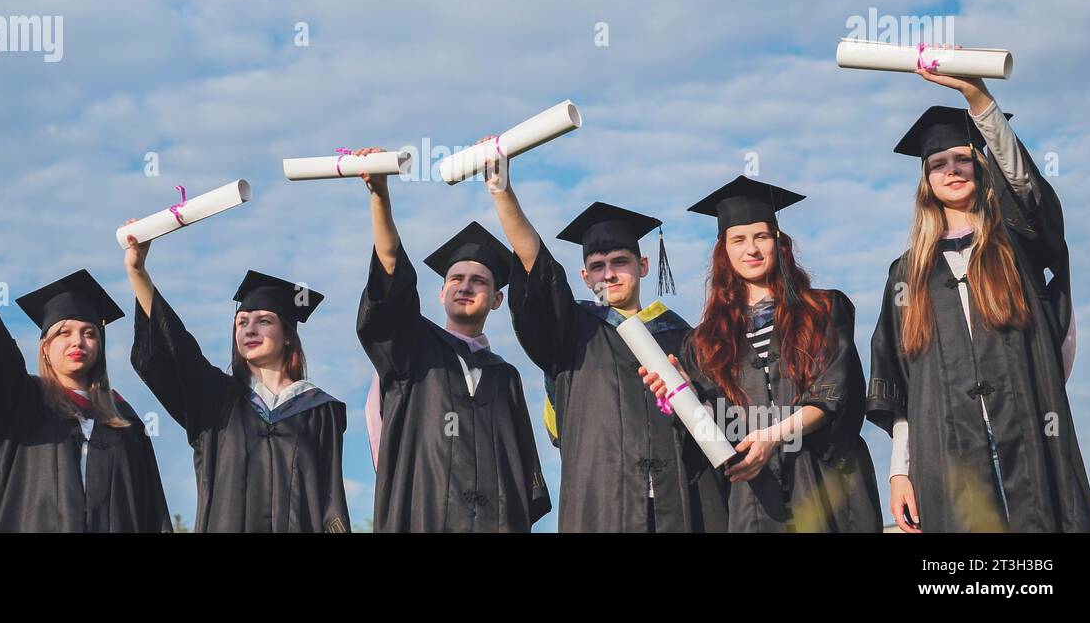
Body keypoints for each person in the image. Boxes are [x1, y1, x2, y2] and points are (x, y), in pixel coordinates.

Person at [866, 61, 1090, 532]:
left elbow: (1030, 194)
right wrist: (899, 472)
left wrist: (980, 101)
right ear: (925, 182)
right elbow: (899, 379)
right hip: (946, 451)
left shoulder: (1016, 244)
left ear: (982, 165)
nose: (951, 171)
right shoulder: (906, 275)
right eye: (937, 164)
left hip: (1030, 431)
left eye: (962, 159)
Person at [487, 151, 727, 532]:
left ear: (643, 265)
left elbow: (717, 426)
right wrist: (503, 192)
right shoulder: (572, 332)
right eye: (598, 267)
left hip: (679, 505)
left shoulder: (685, 339)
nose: (609, 275)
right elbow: (537, 265)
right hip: (600, 506)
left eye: (620, 262)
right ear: (584, 277)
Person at [643, 176, 881, 532]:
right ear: (724, 250)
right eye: (738, 239)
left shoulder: (824, 309)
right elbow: (715, 429)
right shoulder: (704, 341)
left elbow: (835, 393)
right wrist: (683, 396)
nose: (751, 249)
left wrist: (773, 436)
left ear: (779, 244)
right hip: (754, 498)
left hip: (826, 483)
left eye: (761, 236)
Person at [354, 147, 550, 532]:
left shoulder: (504, 377)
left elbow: (522, 473)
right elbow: (392, 271)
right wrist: (380, 195)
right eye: (456, 279)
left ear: (496, 299)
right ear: (440, 293)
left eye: (479, 281)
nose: (465, 286)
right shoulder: (414, 349)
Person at [0, 228, 171, 532]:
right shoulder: (23, 401)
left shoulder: (125, 422)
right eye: (64, 332)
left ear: (100, 345)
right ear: (45, 346)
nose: (78, 342)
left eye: (89, 333)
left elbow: (151, 513)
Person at [125, 224, 350, 532]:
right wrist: (138, 272)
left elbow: (330, 500)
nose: (250, 330)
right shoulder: (216, 399)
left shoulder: (319, 410)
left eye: (264, 321)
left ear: (287, 336)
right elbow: (177, 350)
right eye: (242, 322)